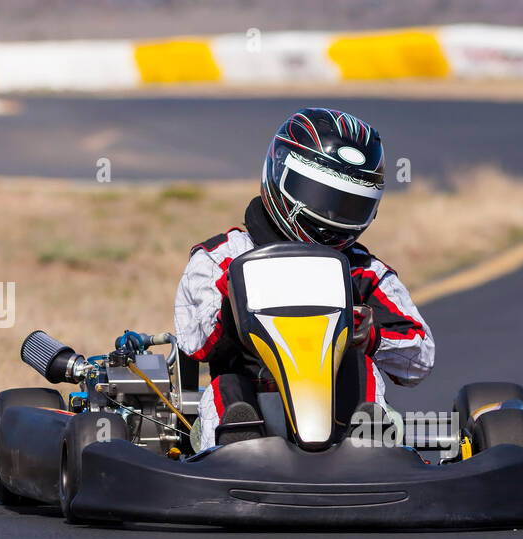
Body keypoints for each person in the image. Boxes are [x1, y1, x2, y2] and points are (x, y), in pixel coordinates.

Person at [173, 107, 434, 451]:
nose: (331, 218)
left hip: (338, 415)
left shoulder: (364, 271)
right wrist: (232, 308)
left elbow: (420, 357)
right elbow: (193, 342)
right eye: (323, 200)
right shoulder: (222, 257)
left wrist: (370, 336)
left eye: (349, 206)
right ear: (281, 176)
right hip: (252, 405)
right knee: (227, 388)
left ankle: (371, 455)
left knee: (361, 369)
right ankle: (237, 453)